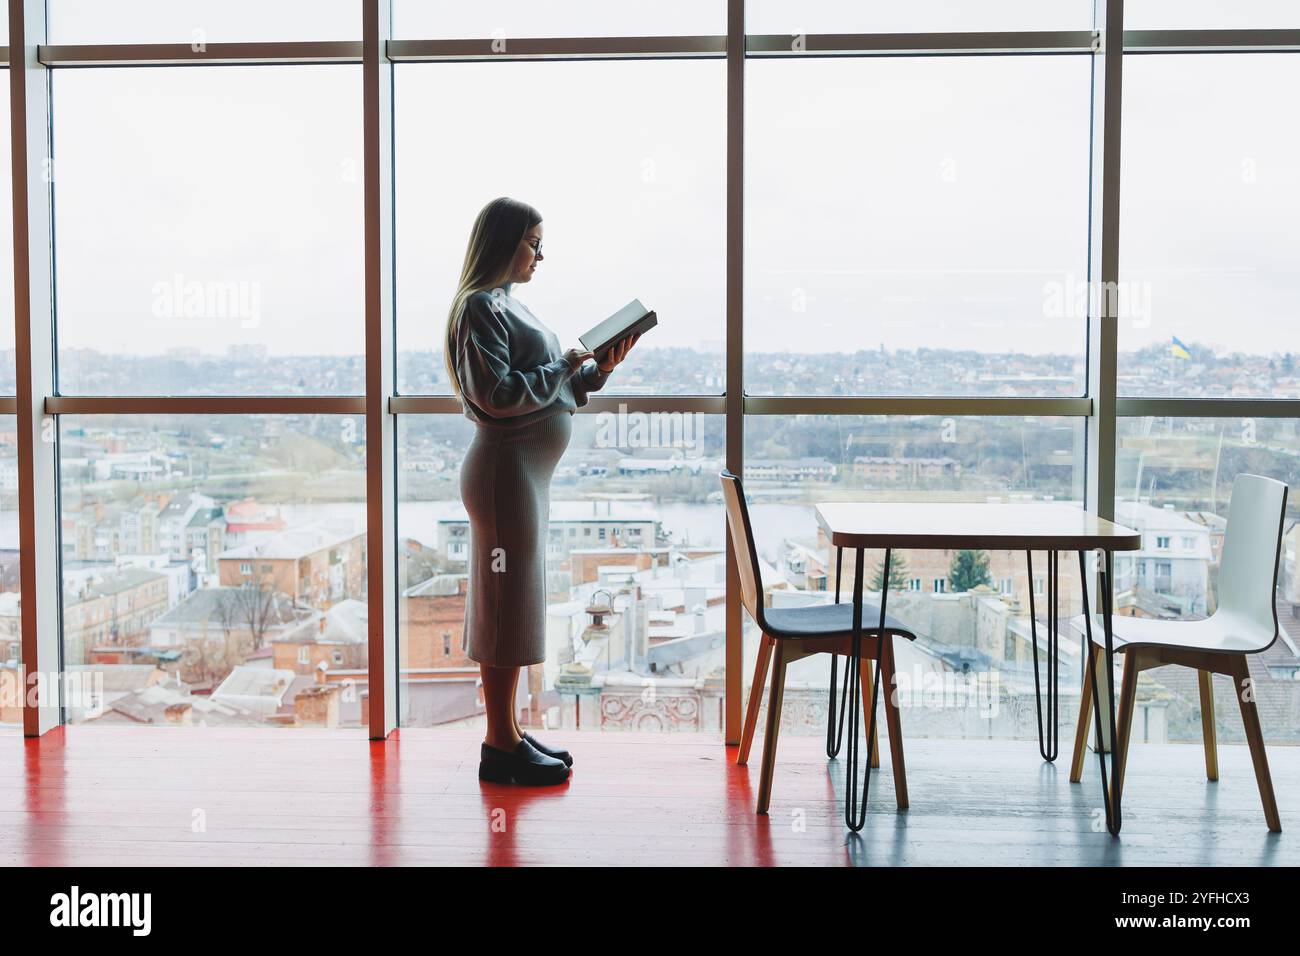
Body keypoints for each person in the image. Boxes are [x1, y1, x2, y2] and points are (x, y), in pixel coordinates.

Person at [446, 197, 639, 785]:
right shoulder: (481, 307)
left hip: (521, 475)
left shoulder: (506, 304)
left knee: (513, 600)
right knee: (505, 605)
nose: (540, 253)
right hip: (505, 475)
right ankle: (499, 745)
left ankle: (506, 731)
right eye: (533, 241)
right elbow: (498, 394)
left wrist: (593, 373)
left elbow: (545, 392)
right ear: (504, 243)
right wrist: (562, 367)